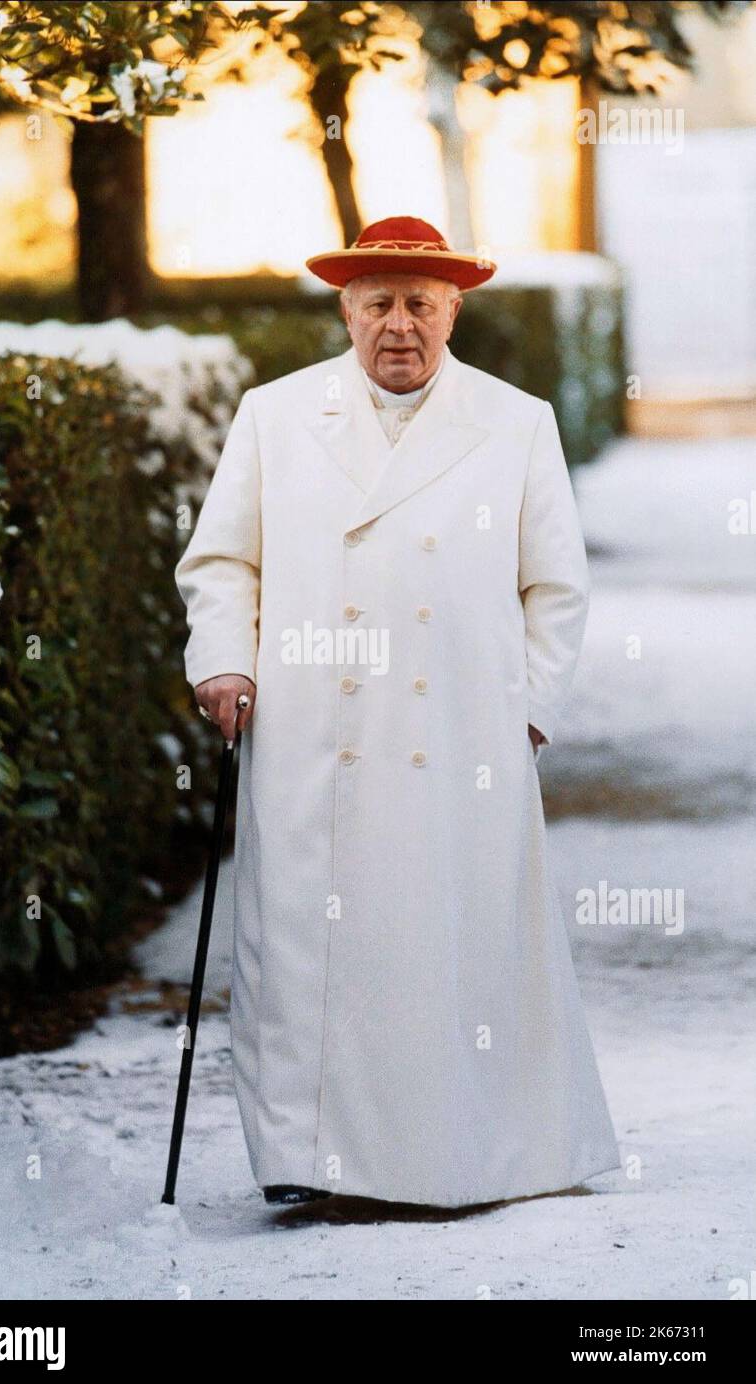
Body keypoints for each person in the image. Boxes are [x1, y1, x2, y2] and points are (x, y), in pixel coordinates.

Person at [175, 215, 621, 1209]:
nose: (398, 326)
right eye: (377, 302)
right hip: (310, 735)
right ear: (345, 309)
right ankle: (305, 1156)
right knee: (302, 946)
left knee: (445, 950)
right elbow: (221, 560)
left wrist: (524, 713)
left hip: (455, 736)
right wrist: (224, 662)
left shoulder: (514, 424)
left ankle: (457, 1155)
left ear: (452, 308)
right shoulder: (273, 416)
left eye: (419, 303)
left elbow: (553, 587)